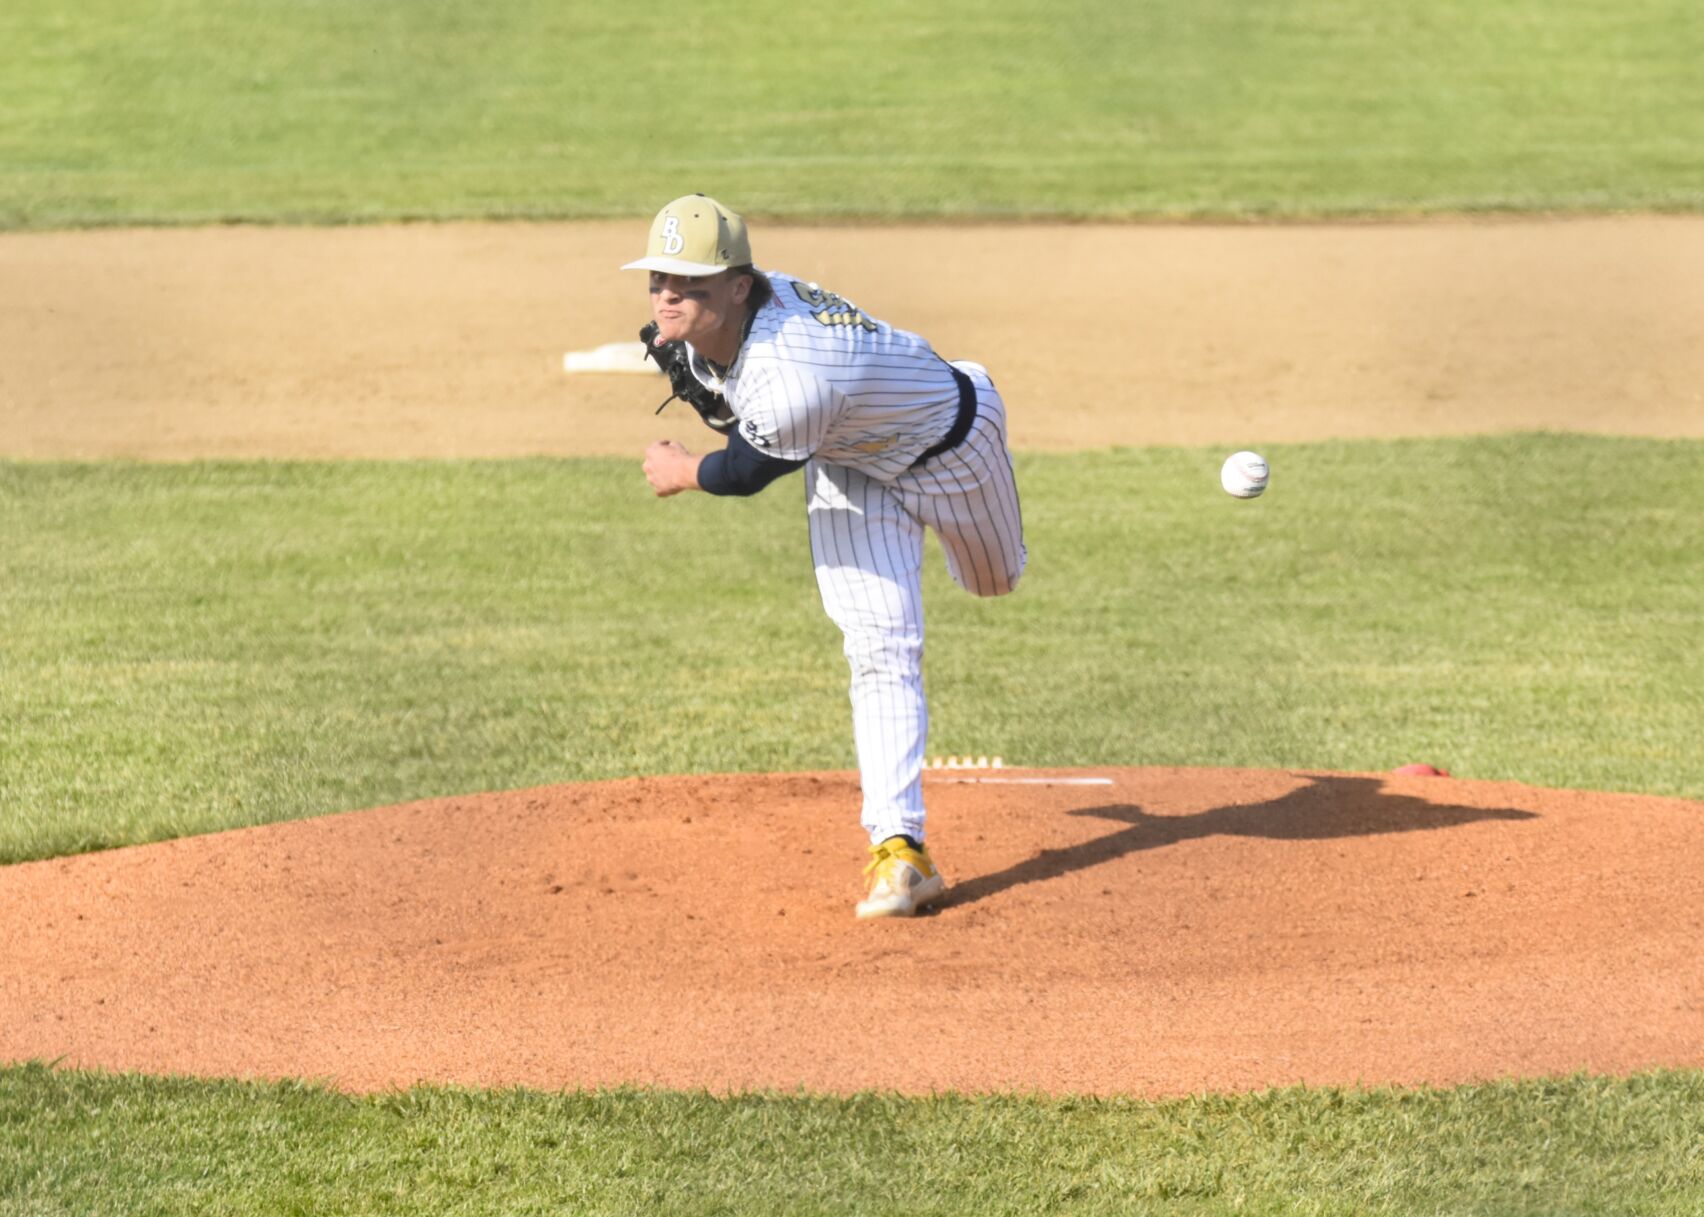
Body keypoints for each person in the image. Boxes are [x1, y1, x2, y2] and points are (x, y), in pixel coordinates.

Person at [627, 194, 1027, 918]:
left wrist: (684, 467)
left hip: (953, 444)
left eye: (690, 283)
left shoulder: (797, 371)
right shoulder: (736, 318)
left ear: (739, 287)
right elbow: (742, 400)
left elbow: (745, 470)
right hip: (850, 466)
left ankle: (901, 849)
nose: (668, 295)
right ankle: (900, 851)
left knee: (995, 582)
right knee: (880, 647)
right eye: (659, 279)